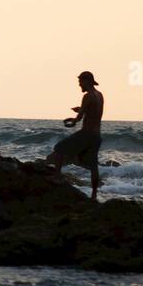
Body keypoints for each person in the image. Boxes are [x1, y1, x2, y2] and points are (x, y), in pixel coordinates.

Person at [51, 71, 104, 199]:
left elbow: (78, 120)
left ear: (87, 81)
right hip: (97, 135)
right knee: (93, 166)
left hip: (86, 134)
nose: (80, 85)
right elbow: (93, 112)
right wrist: (80, 109)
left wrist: (70, 122)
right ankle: (94, 195)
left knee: (59, 148)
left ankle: (57, 177)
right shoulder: (99, 95)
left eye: (81, 82)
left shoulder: (87, 96)